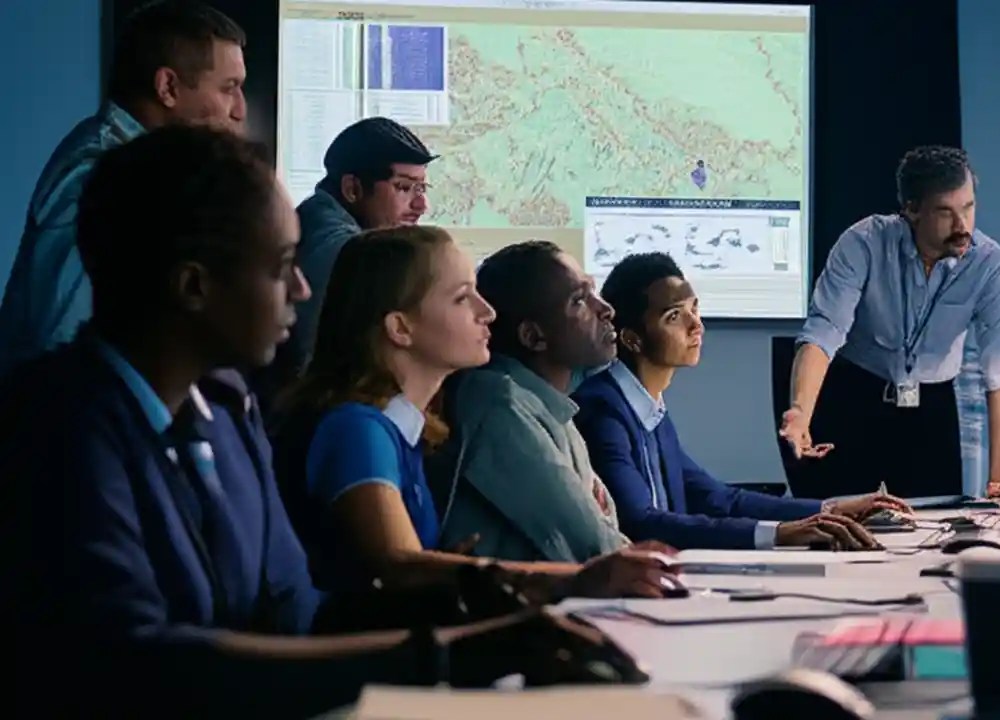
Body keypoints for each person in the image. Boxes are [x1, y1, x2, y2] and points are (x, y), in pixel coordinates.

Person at [0, 126, 641, 717]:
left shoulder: (226, 409)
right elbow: (139, 665)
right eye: (282, 268)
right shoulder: (57, 426)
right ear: (194, 287)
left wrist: (489, 606)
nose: (303, 292)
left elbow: (298, 612)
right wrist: (451, 655)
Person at [272, 225, 676, 599]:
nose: (488, 313)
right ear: (400, 328)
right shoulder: (357, 428)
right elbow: (399, 565)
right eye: (462, 297)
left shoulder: (406, 431)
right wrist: (573, 579)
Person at [574, 252, 910, 550]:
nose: (696, 326)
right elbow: (641, 524)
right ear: (632, 338)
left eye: (695, 309)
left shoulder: (647, 407)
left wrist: (831, 509)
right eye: (675, 317)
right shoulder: (603, 411)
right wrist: (780, 534)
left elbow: (717, 498)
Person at [0, 0, 248, 374]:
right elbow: (57, 338)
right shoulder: (98, 177)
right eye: (229, 88)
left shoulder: (142, 169)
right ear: (167, 87)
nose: (240, 110)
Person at [781, 146, 1000, 501]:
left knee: (935, 532)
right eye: (946, 212)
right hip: (855, 395)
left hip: (932, 406)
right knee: (838, 524)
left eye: (969, 207)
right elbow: (824, 331)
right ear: (911, 210)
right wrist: (801, 412)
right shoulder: (863, 243)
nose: (963, 227)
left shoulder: (990, 265)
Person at [432, 241, 631, 563]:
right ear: (533, 336)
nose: (605, 309)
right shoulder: (499, 404)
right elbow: (596, 551)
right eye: (579, 301)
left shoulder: (549, 406)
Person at [262, 117, 439, 409]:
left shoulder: (316, 220)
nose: (421, 206)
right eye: (404, 188)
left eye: (422, 189)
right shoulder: (340, 250)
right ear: (352, 189)